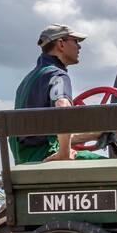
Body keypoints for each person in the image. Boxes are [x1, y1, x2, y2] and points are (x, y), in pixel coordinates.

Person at [12, 24, 100, 163]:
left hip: (26, 161)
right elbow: (62, 108)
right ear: (61, 44)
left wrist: (99, 134)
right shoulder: (57, 75)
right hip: (47, 158)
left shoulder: (28, 80)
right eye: (75, 41)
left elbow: (49, 136)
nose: (79, 47)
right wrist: (64, 153)